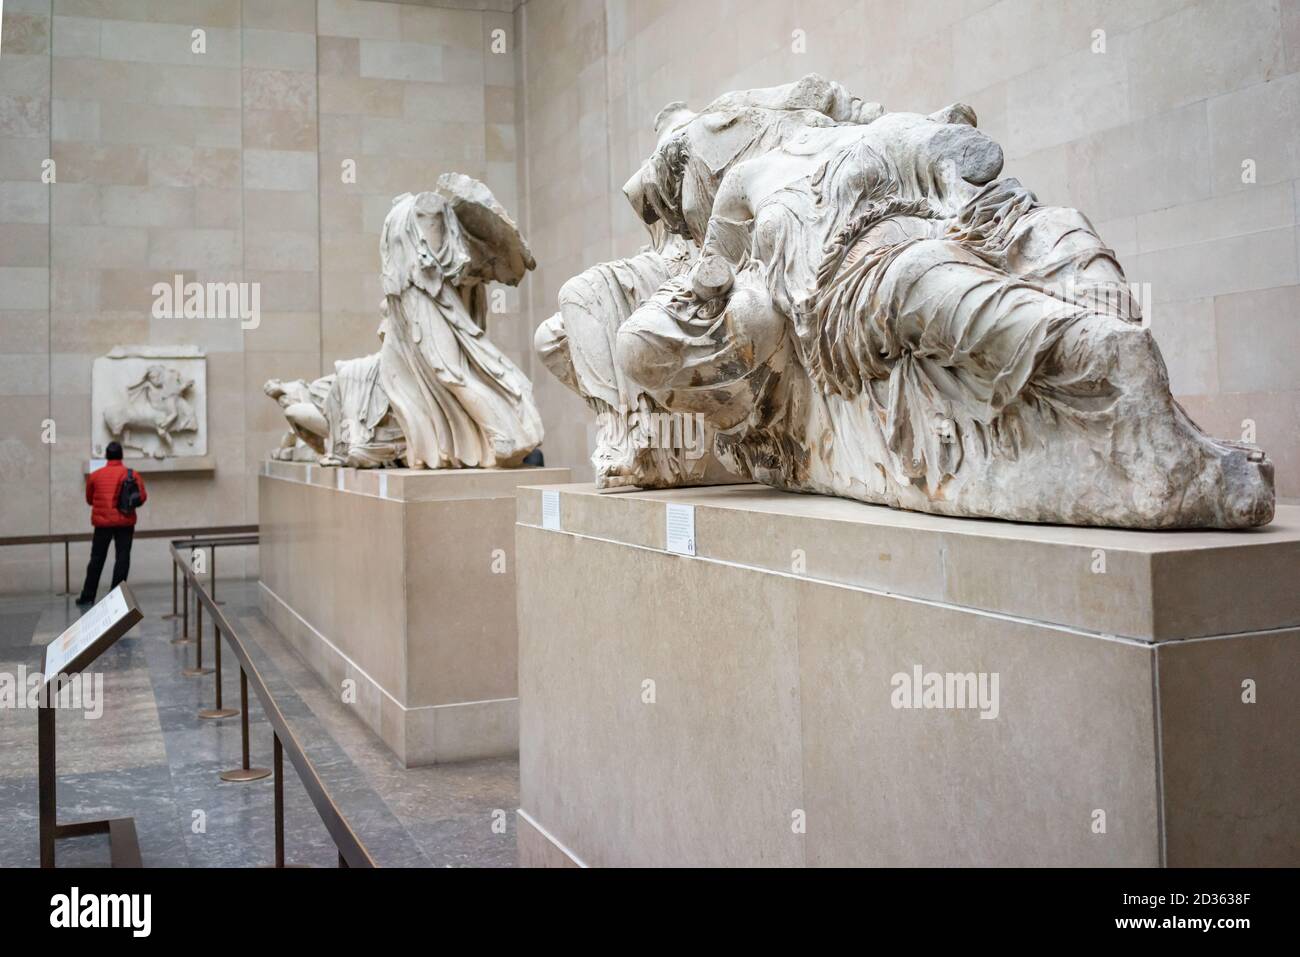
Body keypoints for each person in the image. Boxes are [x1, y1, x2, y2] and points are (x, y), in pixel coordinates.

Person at [76, 441, 147, 606]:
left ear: (106, 456)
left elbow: (89, 499)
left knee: (96, 559)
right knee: (122, 558)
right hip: (125, 522)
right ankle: (116, 596)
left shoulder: (95, 475)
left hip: (102, 523)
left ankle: (88, 595)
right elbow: (142, 497)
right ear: (121, 455)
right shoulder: (132, 474)